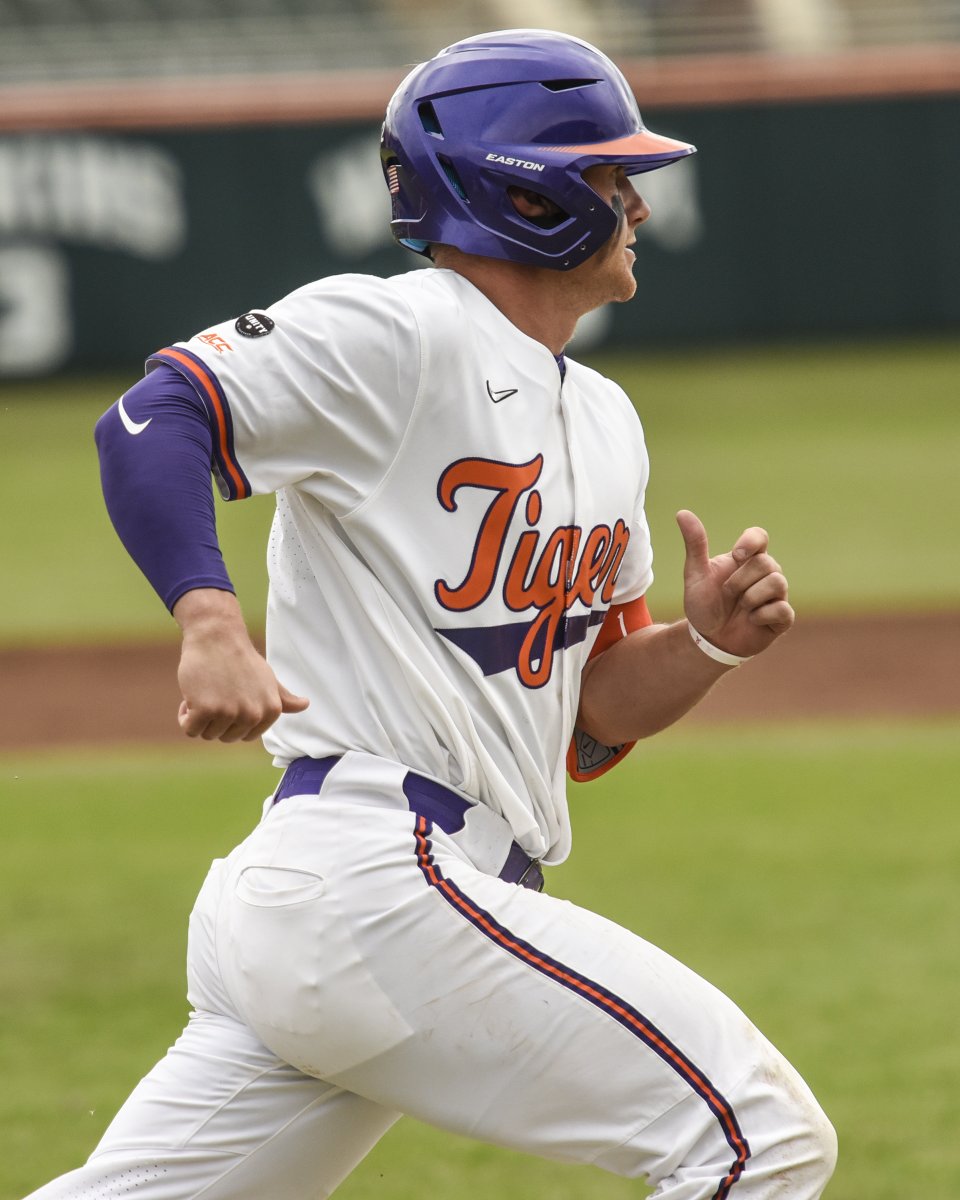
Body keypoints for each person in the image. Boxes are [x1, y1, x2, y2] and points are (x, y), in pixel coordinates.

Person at [28, 28, 836, 1200]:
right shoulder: (399, 330)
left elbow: (588, 722)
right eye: (614, 178)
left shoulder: (607, 418)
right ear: (533, 192)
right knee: (761, 1138)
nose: (639, 207)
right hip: (378, 874)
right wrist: (209, 619)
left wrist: (707, 644)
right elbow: (153, 422)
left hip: (370, 906)